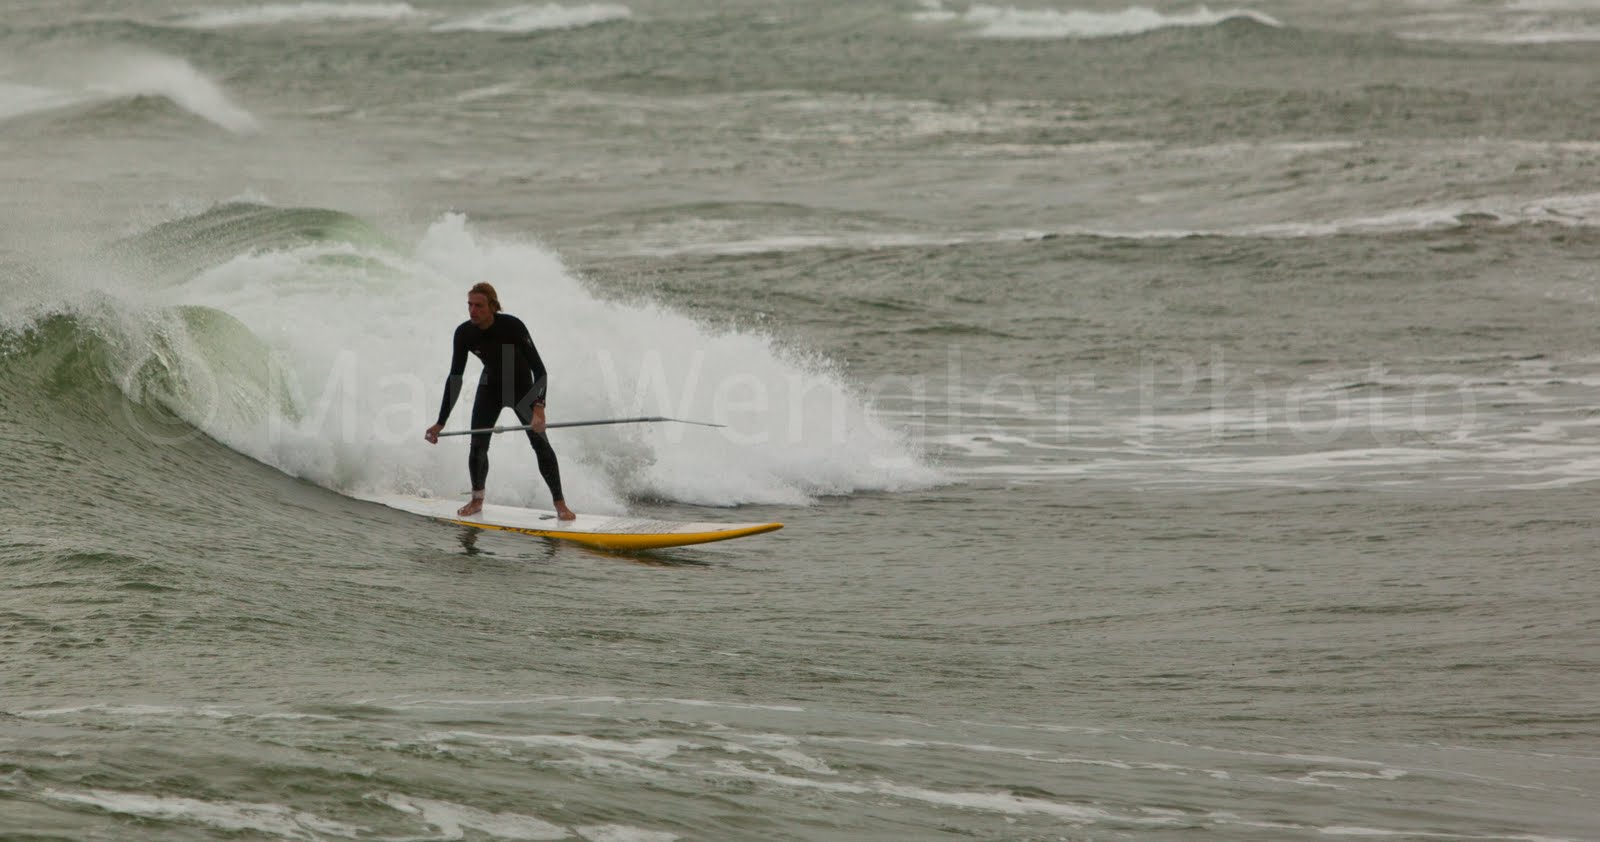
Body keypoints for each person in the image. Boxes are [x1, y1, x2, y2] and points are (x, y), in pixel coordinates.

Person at [424, 282, 576, 520]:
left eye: (479, 306)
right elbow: (455, 378)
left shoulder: (512, 327)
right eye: (470, 305)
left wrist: (539, 407)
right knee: (478, 444)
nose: (473, 311)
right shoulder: (464, 333)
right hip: (491, 387)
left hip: (521, 388)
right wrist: (441, 422)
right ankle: (476, 500)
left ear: (492, 307)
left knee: (540, 444)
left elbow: (540, 371)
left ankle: (560, 505)